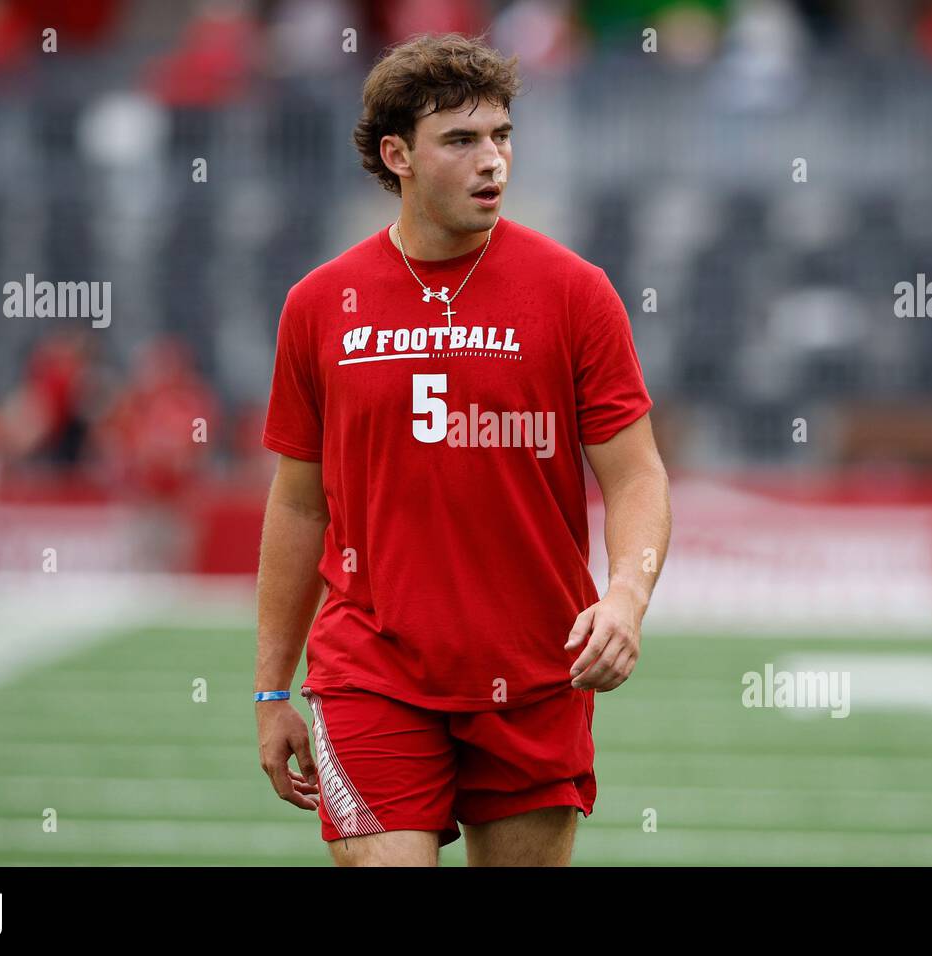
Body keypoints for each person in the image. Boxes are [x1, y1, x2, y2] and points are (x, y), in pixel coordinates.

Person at [255, 32, 671, 866]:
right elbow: (300, 502)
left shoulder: (575, 293)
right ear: (397, 155)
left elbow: (636, 476)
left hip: (537, 670)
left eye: (502, 136)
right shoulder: (318, 304)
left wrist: (625, 598)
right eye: (462, 140)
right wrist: (271, 688)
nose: (494, 162)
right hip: (370, 666)